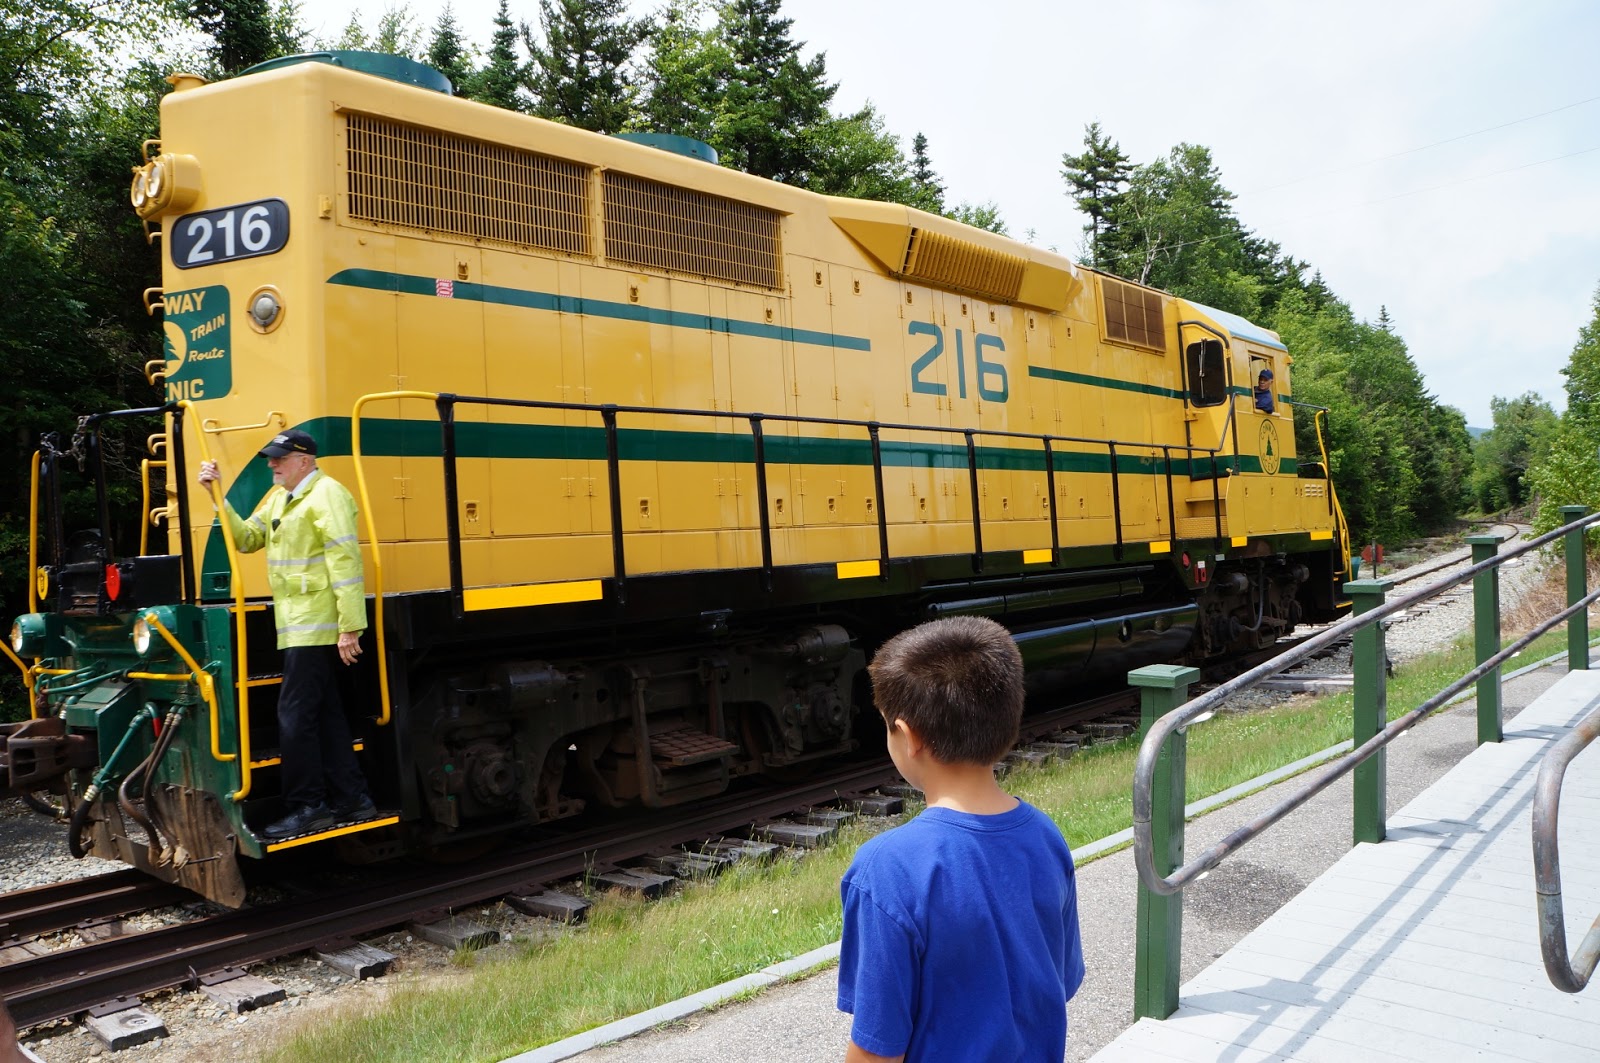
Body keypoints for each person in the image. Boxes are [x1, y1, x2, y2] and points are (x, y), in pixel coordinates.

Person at [837, 615, 1085, 1063]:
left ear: (907, 737)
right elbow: (1057, 985)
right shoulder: (1046, 836)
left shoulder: (887, 870)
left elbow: (877, 1051)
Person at [198, 429, 375, 840]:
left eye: (279, 457)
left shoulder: (328, 495)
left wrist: (350, 627)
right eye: (271, 458)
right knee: (325, 714)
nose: (271, 464)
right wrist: (217, 495)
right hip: (298, 626)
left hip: (317, 626)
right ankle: (352, 798)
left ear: (305, 460)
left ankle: (308, 806)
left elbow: (346, 562)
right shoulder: (281, 498)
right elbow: (247, 539)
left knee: (294, 717)